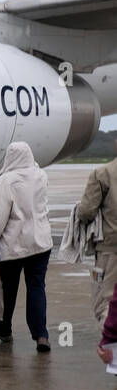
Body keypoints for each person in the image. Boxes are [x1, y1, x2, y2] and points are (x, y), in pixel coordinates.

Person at [0, 142, 53, 352]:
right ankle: (41, 335)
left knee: (8, 290)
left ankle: (4, 329)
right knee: (37, 287)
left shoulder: (5, 182)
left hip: (12, 245)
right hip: (41, 243)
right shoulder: (40, 176)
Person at [74, 140, 117, 327]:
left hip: (110, 249)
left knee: (106, 301)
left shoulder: (103, 174)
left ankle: (111, 347)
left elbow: (86, 212)